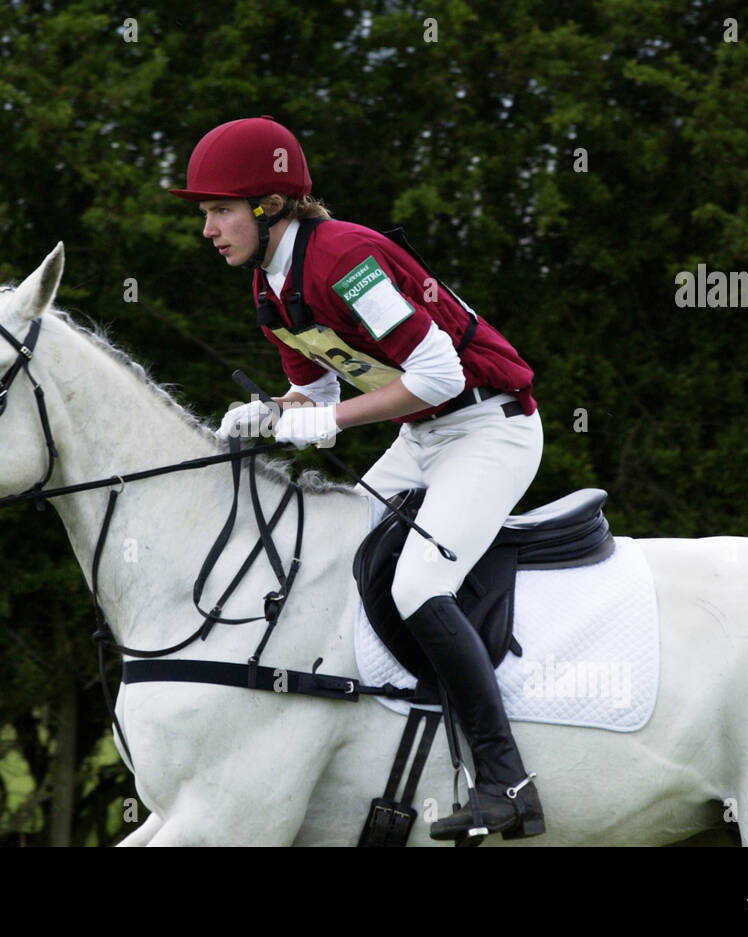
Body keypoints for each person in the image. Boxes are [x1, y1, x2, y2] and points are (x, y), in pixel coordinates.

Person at [169, 115, 545, 842]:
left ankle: (508, 781)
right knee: (339, 552)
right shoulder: (270, 288)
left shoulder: (346, 259)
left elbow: (437, 375)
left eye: (219, 209)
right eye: (206, 213)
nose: (207, 228)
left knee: (416, 585)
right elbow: (325, 392)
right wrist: (272, 410)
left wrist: (330, 425)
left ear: (269, 205)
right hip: (426, 434)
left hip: (490, 427)